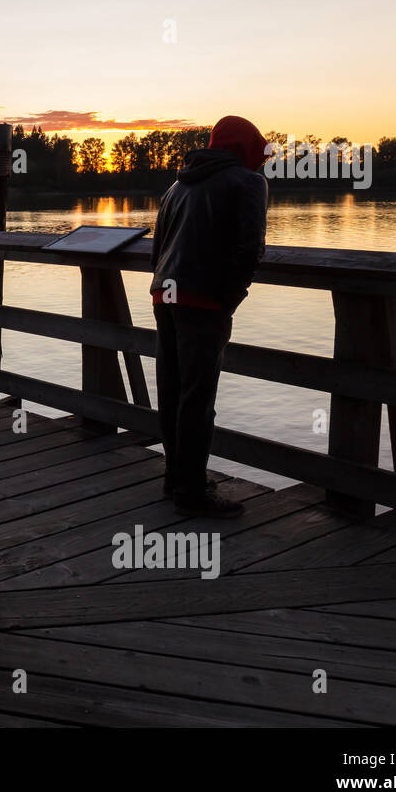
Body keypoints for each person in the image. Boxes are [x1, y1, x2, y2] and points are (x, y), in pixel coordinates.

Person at [149, 115, 269, 518]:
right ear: (246, 148)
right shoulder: (249, 183)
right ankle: (193, 491)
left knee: (172, 392)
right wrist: (228, 299)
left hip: (163, 295)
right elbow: (250, 248)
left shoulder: (176, 185)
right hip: (203, 301)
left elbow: (158, 249)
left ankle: (175, 476)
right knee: (197, 399)